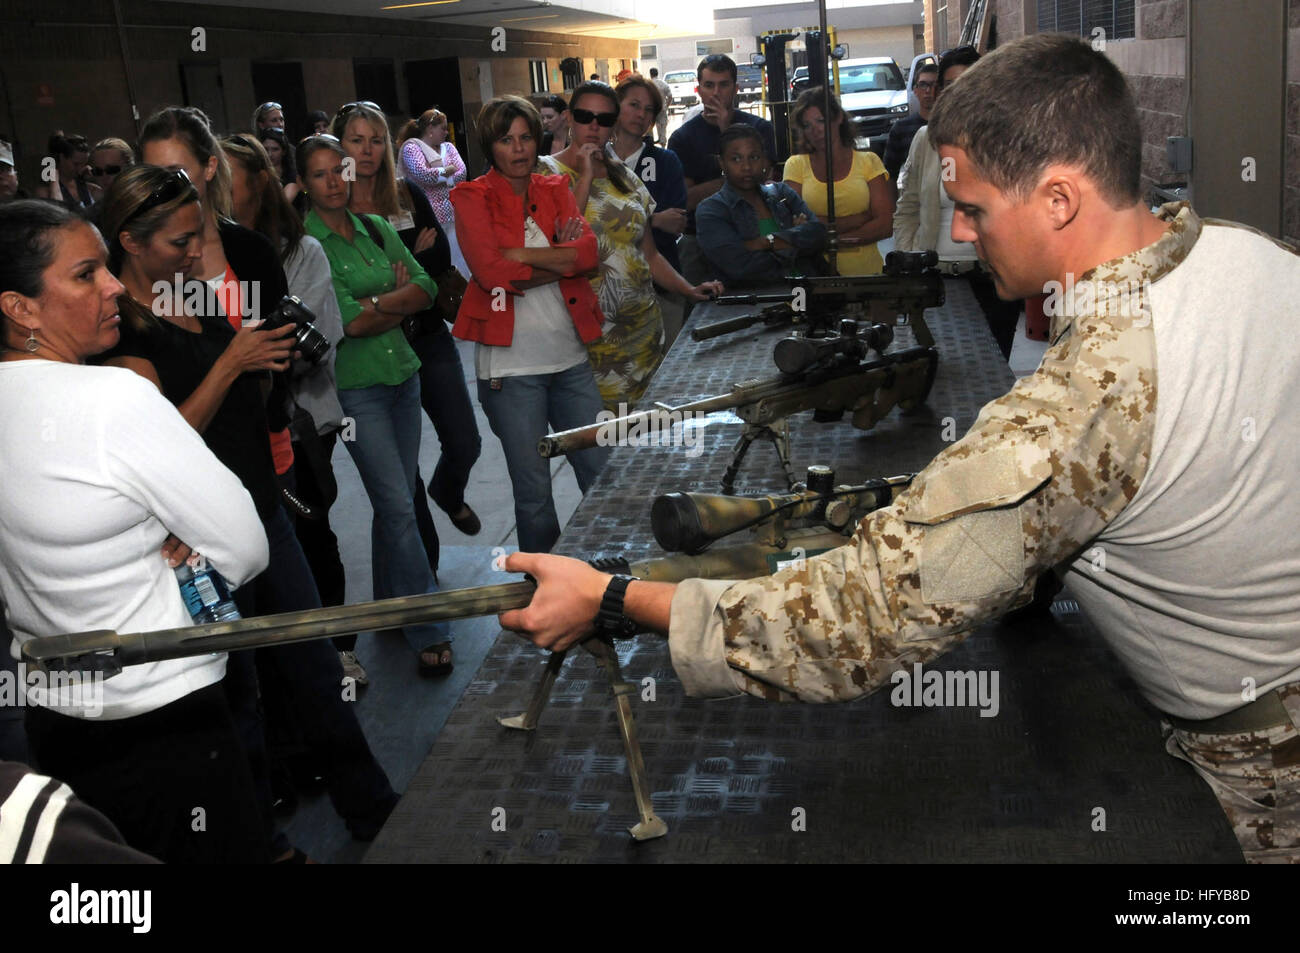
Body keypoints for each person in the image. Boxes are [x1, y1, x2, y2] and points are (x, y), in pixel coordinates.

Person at [499, 33, 1300, 865]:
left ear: (1060, 198)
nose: (957, 228)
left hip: (1262, 765)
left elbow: (862, 618)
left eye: (976, 206)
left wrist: (617, 597)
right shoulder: (1251, 252)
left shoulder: (1088, 401)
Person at [97, 165, 399, 851]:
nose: (198, 249)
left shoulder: (193, 294)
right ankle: (259, 841)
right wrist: (232, 362)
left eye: (200, 232)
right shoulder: (119, 337)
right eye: (180, 240)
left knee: (316, 668)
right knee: (236, 694)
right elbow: (159, 441)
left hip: (260, 509)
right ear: (132, 243)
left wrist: (267, 366)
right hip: (193, 542)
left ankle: (373, 806)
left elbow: (243, 405)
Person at [0, 199, 269, 864]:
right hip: (167, 713)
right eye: (86, 274)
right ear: (21, 307)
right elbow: (247, 545)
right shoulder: (112, 400)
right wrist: (186, 546)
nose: (115, 285)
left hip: (58, 723)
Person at [299, 134, 459, 677]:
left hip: (403, 377)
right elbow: (349, 323)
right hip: (356, 392)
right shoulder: (309, 246)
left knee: (398, 495)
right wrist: (388, 303)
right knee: (396, 504)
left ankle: (393, 601)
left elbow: (425, 287)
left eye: (338, 169)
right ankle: (430, 627)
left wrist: (377, 304)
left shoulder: (376, 226)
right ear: (304, 183)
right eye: (319, 174)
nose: (334, 181)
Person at [221, 132, 356, 682]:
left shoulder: (298, 252)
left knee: (311, 536)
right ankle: (281, 671)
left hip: (299, 422)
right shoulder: (190, 259)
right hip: (230, 433)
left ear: (260, 186)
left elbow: (307, 349)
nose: (214, 199)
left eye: (226, 185)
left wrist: (246, 358)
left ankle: (337, 649)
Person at [449, 95, 609, 553]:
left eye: (525, 137)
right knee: (535, 495)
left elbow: (590, 254)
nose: (518, 149)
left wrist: (521, 256)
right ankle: (547, 594)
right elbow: (491, 274)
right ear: (490, 146)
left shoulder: (555, 188)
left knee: (600, 472)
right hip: (511, 374)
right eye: (506, 140)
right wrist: (562, 261)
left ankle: (613, 573)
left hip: (571, 362)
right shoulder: (470, 196)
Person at [337, 102, 484, 572]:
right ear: (338, 145)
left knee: (465, 440)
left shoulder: (406, 194)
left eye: (376, 140)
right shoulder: (328, 208)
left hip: (427, 337)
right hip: (373, 351)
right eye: (356, 140)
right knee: (403, 479)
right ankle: (424, 571)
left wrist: (400, 283)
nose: (367, 150)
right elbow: (351, 299)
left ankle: (450, 490)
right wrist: (402, 280)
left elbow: (436, 261)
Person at [540, 81, 721, 409]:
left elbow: (649, 254)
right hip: (589, 342)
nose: (594, 126)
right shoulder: (546, 174)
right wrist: (583, 174)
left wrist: (688, 289)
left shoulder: (623, 175)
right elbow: (561, 242)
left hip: (643, 335)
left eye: (605, 119)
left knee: (650, 438)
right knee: (603, 444)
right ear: (568, 118)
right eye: (585, 116)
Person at [895, 46, 1020, 359]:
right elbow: (907, 208)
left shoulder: (1006, 143)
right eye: (950, 86)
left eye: (969, 84)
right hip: (934, 280)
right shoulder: (925, 140)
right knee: (938, 369)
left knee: (990, 372)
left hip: (990, 281)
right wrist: (909, 257)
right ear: (940, 92)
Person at [668, 54, 778, 283]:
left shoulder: (759, 128)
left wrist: (726, 129)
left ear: (736, 88)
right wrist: (735, 177)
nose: (716, 93)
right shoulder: (682, 137)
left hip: (753, 234)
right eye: (709, 85)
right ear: (699, 89)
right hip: (699, 241)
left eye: (723, 85)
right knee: (702, 313)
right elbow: (686, 200)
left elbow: (763, 184)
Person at [783, 87, 893, 276]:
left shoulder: (869, 161)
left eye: (821, 121)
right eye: (807, 125)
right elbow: (796, 226)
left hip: (865, 275)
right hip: (814, 277)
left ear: (838, 118)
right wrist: (860, 219)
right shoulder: (795, 165)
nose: (816, 130)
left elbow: (885, 225)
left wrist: (830, 239)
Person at [696, 124, 827, 282]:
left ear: (764, 159)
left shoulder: (782, 193)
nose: (746, 167)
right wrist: (795, 242)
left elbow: (819, 234)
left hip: (807, 297)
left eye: (754, 157)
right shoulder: (712, 210)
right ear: (722, 163)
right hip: (753, 303)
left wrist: (764, 242)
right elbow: (740, 268)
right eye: (736, 159)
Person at [399, 107, 470, 275]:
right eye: (443, 128)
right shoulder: (412, 148)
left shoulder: (449, 148)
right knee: (438, 261)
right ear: (430, 129)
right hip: (428, 215)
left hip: (452, 212)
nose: (446, 132)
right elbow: (422, 175)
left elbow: (462, 173)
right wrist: (448, 171)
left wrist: (440, 175)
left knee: (459, 258)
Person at [883, 62, 938, 190]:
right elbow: (890, 174)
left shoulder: (954, 126)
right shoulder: (901, 129)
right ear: (915, 90)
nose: (928, 91)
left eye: (934, 85)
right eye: (923, 85)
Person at [34, 132, 99, 213]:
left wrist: (97, 177)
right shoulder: (44, 191)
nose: (80, 169)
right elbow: (56, 213)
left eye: (84, 164)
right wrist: (54, 179)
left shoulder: (90, 188)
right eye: (76, 164)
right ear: (62, 158)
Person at [258, 127, 299, 203]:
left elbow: (283, 204)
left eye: (275, 149)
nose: (269, 154)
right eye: (265, 149)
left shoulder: (292, 175)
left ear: (283, 151)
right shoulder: (257, 173)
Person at [648, 68, 672, 145]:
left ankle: (650, 142)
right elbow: (670, 96)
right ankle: (662, 143)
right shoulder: (663, 84)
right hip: (662, 108)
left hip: (650, 109)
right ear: (657, 73)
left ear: (650, 74)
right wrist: (666, 106)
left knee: (649, 126)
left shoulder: (648, 84)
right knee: (662, 127)